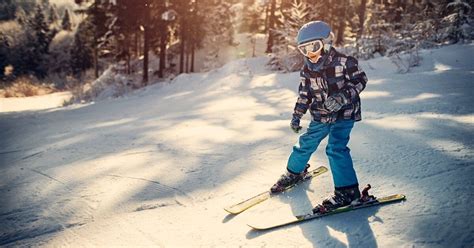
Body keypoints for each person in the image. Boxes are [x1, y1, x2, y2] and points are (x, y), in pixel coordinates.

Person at [270, 21, 369, 214]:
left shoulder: (345, 62)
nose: (310, 53)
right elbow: (304, 95)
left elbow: (360, 80)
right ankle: (294, 173)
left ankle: (348, 191)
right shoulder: (307, 70)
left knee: (335, 148)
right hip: (320, 116)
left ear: (327, 42)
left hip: (343, 115)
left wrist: (342, 97)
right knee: (305, 143)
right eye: (304, 49)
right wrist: (297, 115)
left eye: (313, 46)